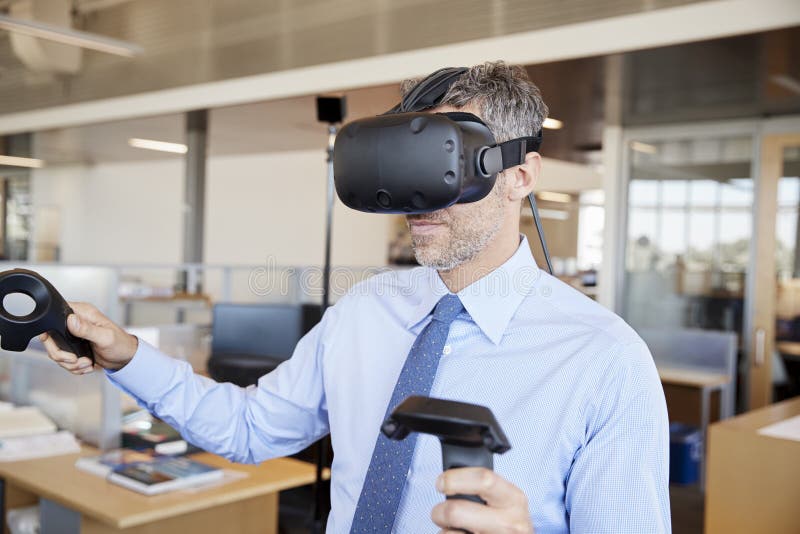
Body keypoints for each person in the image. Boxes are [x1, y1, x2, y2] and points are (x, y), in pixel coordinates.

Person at [41, 61, 670, 533]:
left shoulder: (604, 359)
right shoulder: (366, 311)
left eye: (441, 162)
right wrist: (126, 355)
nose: (413, 199)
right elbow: (248, 428)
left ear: (519, 177)